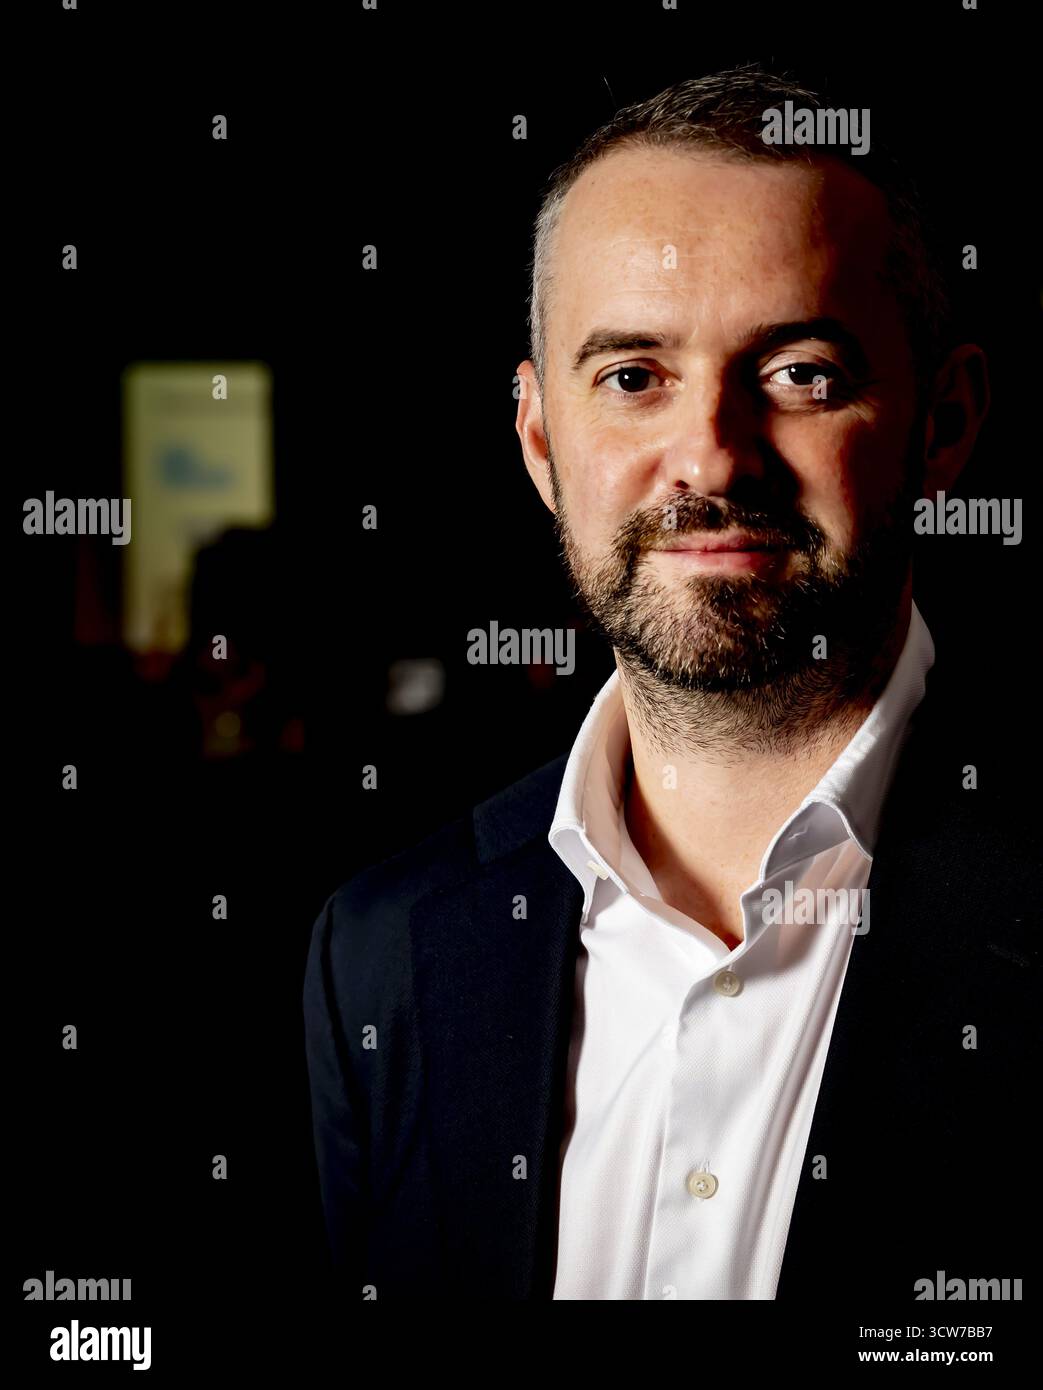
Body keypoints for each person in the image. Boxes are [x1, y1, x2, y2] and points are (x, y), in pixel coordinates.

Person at [303, 66, 1033, 1301]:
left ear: (943, 422)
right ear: (540, 441)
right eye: (632, 376)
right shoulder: (383, 951)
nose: (708, 452)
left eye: (800, 372)